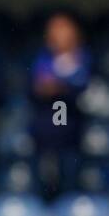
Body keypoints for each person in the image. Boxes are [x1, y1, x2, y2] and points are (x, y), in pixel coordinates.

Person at [30, 13, 92, 201]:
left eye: (64, 29)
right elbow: (34, 88)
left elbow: (82, 88)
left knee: (69, 189)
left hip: (71, 139)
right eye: (55, 29)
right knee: (42, 191)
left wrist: (60, 86)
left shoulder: (84, 58)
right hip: (43, 138)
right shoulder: (41, 58)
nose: (59, 35)